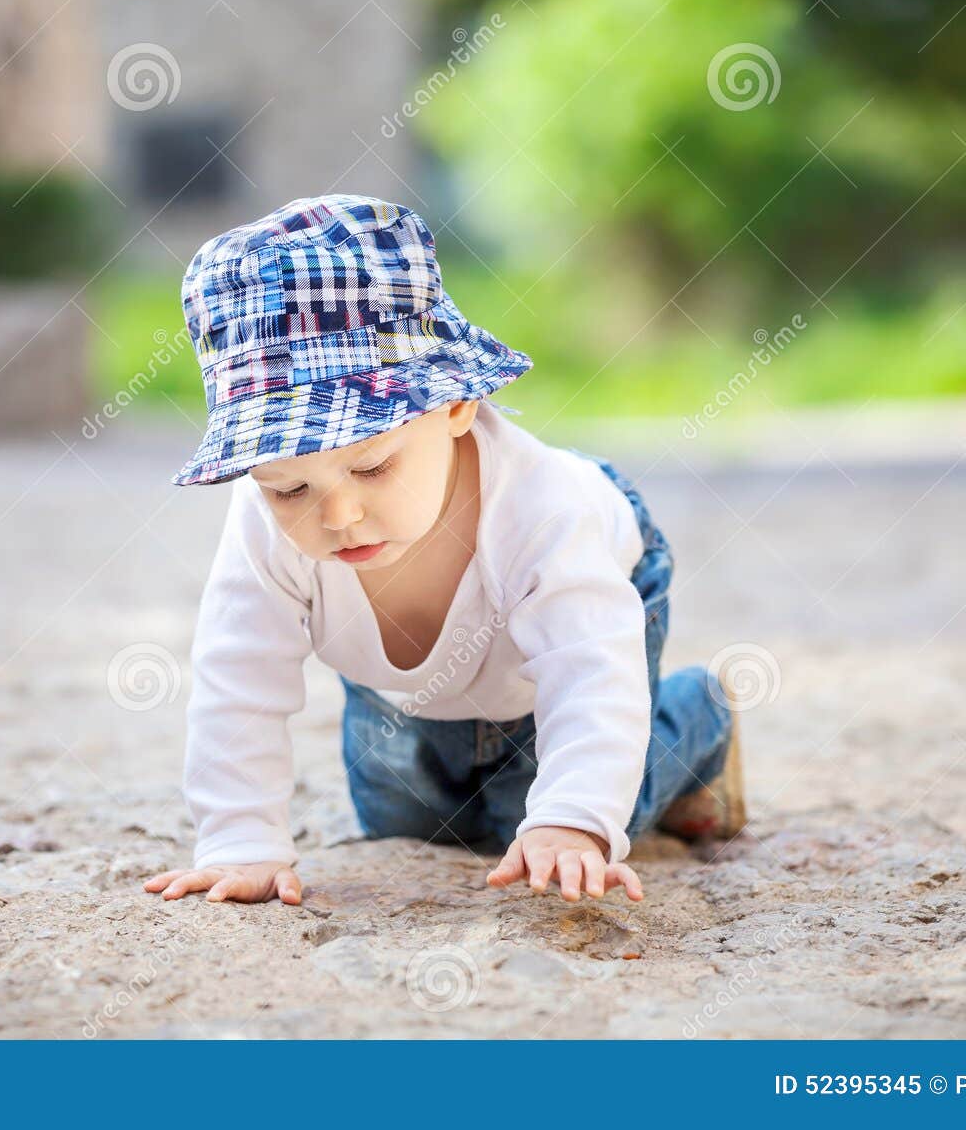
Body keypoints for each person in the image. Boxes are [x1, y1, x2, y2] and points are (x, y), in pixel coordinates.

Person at [144, 194, 744, 909]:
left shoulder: (542, 510)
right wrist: (240, 839)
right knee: (413, 827)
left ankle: (697, 714)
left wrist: (572, 819)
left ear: (456, 404)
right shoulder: (266, 528)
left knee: (543, 826)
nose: (338, 513)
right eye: (289, 487)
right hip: (404, 677)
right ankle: (493, 779)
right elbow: (235, 675)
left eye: (372, 468)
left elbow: (589, 670)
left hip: (575, 623)